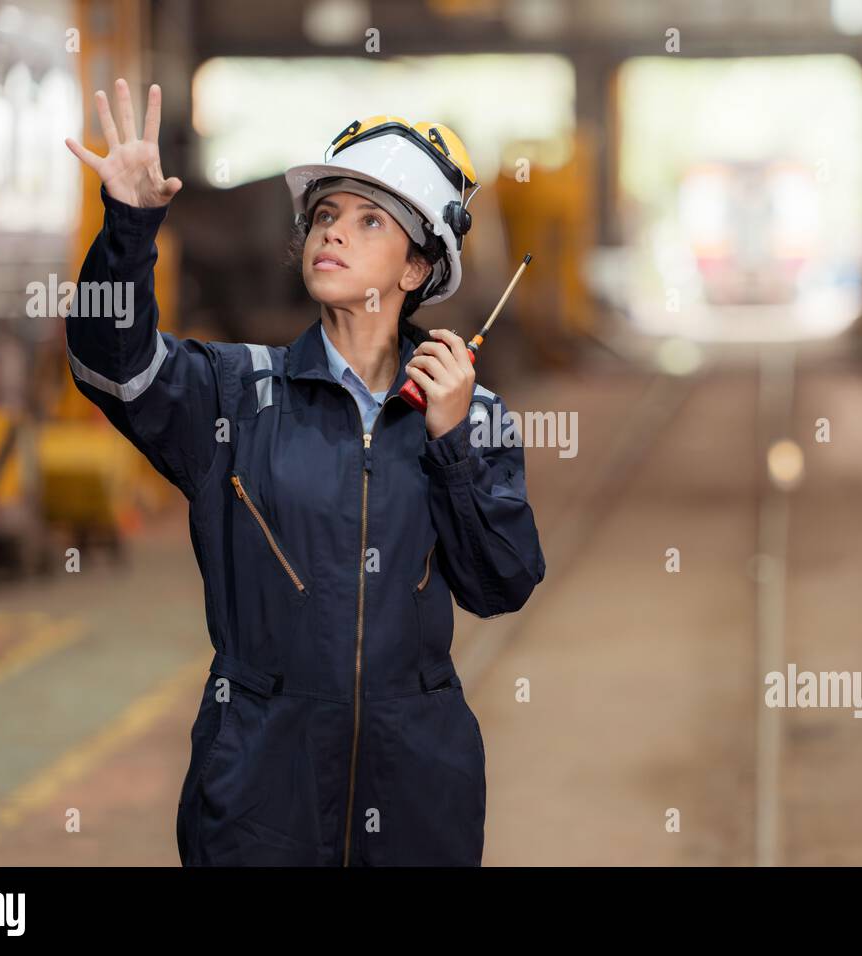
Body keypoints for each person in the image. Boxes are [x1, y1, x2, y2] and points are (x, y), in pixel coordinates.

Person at [63, 80, 545, 866]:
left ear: (417, 268)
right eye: (325, 215)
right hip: (260, 790)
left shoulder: (468, 413)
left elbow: (503, 583)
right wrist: (129, 225)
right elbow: (110, 365)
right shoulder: (237, 394)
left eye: (369, 221)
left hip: (419, 793)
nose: (333, 233)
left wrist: (452, 442)